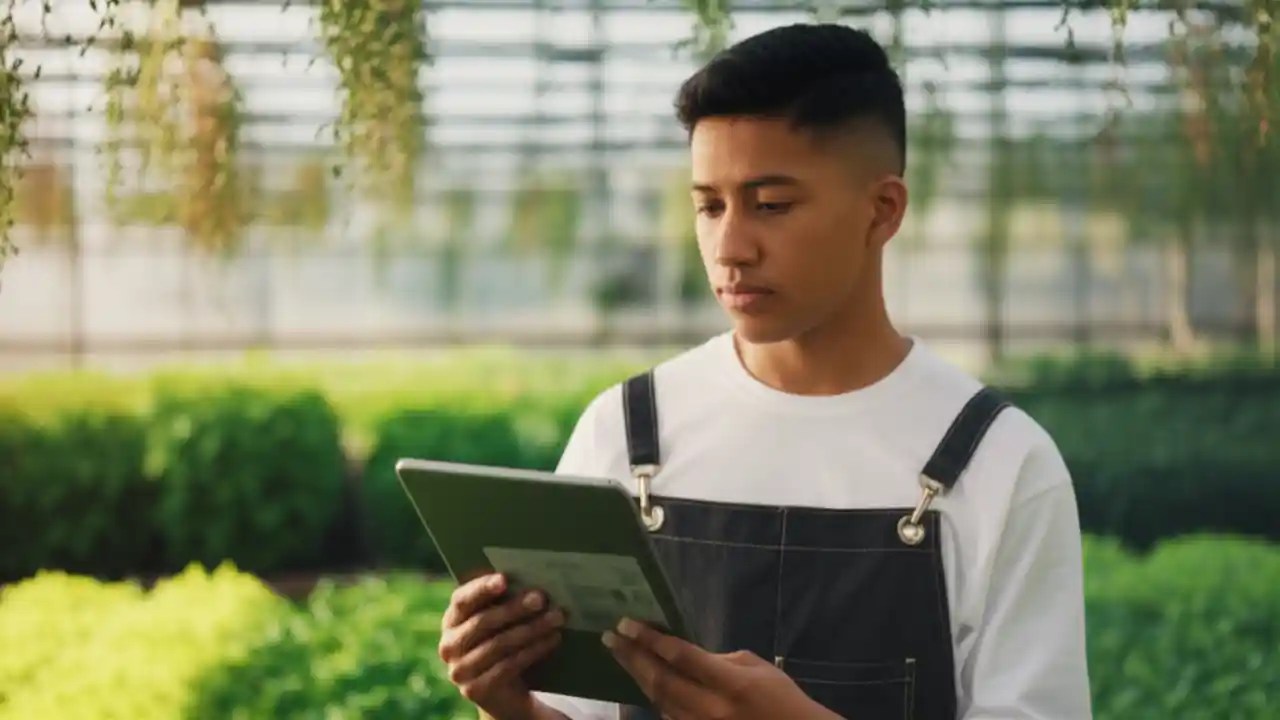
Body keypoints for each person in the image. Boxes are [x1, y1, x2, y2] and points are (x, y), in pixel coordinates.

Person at [434, 22, 1092, 720]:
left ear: (883, 210)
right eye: (708, 206)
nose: (730, 248)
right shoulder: (626, 433)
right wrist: (509, 706)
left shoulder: (999, 462)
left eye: (771, 205)